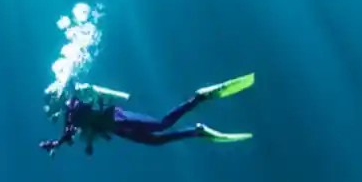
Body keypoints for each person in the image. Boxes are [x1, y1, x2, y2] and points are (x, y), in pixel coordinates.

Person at [39, 73, 255, 156]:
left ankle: (198, 98)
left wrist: (59, 142)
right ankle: (197, 132)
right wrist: (55, 144)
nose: (53, 109)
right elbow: (70, 133)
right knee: (155, 142)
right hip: (118, 129)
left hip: (118, 119)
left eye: (52, 103)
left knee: (161, 125)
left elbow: (75, 126)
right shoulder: (69, 114)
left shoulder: (75, 101)